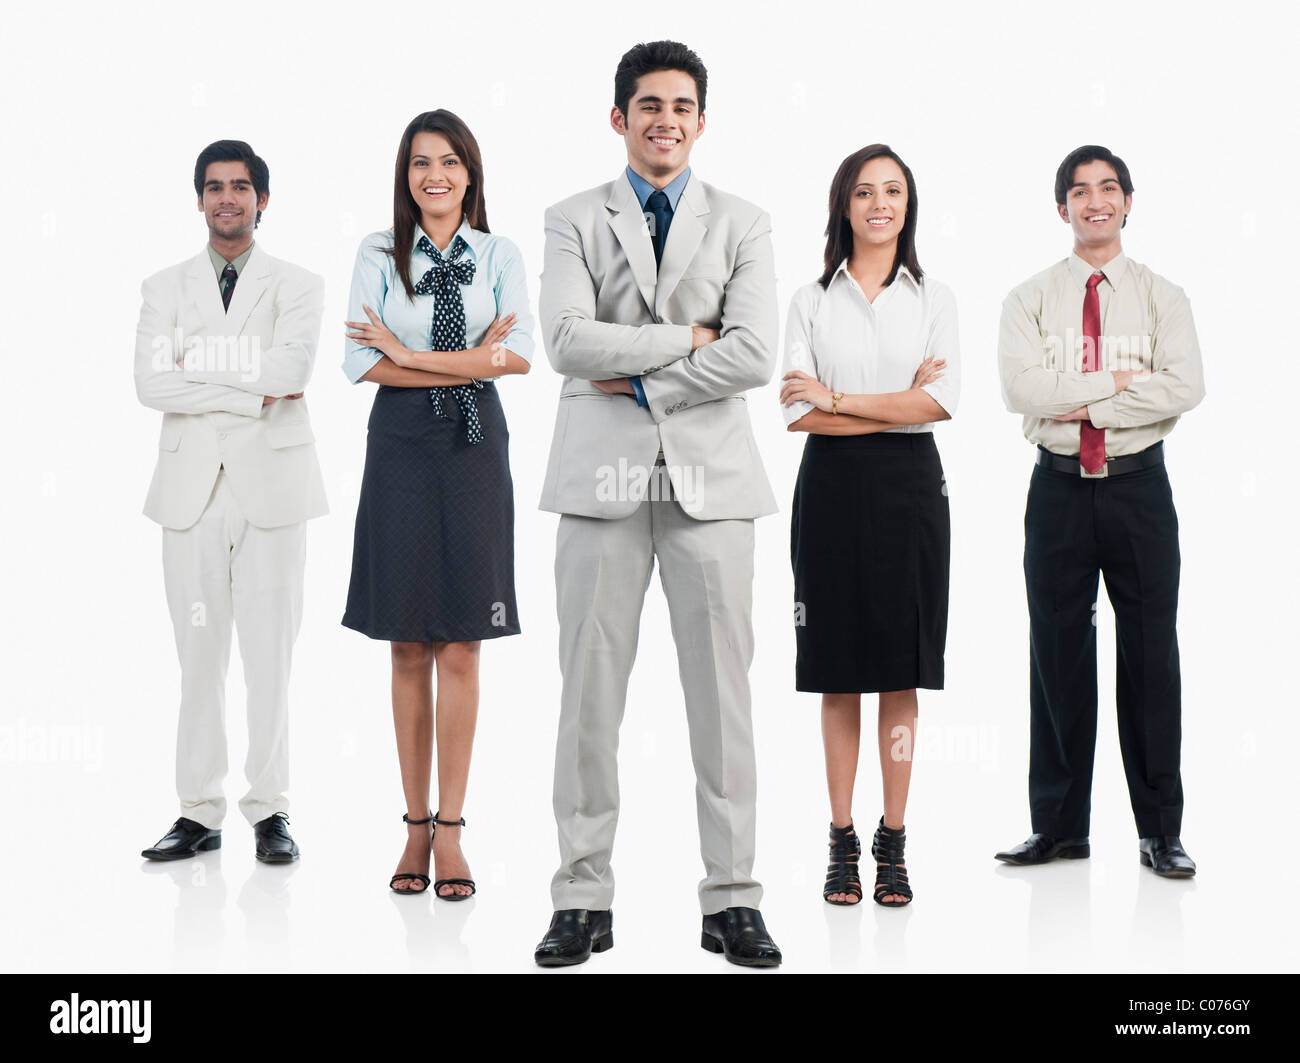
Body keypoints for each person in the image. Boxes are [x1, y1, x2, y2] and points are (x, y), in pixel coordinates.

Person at [532, 40, 782, 968]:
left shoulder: (744, 221)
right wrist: (687, 340)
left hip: (711, 484)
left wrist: (643, 379)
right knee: (588, 699)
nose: (664, 119)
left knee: (723, 702)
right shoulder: (570, 218)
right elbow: (563, 338)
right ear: (619, 118)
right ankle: (581, 898)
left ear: (701, 120)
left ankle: (732, 899)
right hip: (599, 485)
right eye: (647, 105)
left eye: (681, 105)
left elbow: (755, 354)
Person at [994, 145, 1204, 877]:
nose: (1094, 201)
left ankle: (1159, 829)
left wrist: (1074, 392)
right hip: (1055, 492)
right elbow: (1021, 388)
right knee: (1056, 653)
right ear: (1061, 209)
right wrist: (1114, 380)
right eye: (1079, 192)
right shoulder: (1028, 298)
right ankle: (1058, 826)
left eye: (1108, 189)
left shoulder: (1162, 296)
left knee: (1151, 655)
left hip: (1139, 490)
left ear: (1127, 202)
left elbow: (1184, 387)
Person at [341, 110, 533, 899]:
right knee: (408, 642)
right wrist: (461, 361)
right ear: (405, 175)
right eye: (421, 163)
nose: (435, 176)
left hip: (476, 449)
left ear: (471, 173)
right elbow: (361, 363)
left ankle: (451, 828)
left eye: (450, 162)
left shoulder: (500, 253)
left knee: (462, 642)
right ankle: (412, 826)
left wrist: (411, 351)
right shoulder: (376, 253)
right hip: (400, 450)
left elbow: (516, 357)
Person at [135, 139, 327, 864]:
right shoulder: (162, 287)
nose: (226, 198)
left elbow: (294, 366)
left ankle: (271, 810)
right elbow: (151, 385)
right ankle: (198, 811)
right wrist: (255, 391)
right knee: (198, 656)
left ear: (262, 200)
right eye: (214, 187)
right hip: (189, 493)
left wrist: (201, 368)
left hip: (272, 489)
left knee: (270, 655)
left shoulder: (298, 283)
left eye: (240, 187)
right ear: (198, 200)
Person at [780, 144, 959, 908]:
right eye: (864, 192)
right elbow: (796, 412)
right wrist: (890, 397)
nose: (879, 204)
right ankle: (840, 837)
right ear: (843, 206)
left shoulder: (935, 298)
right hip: (829, 493)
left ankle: (894, 840)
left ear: (907, 205)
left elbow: (940, 404)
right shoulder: (811, 300)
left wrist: (844, 399)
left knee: (899, 670)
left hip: (912, 493)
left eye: (893, 191)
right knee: (836, 671)